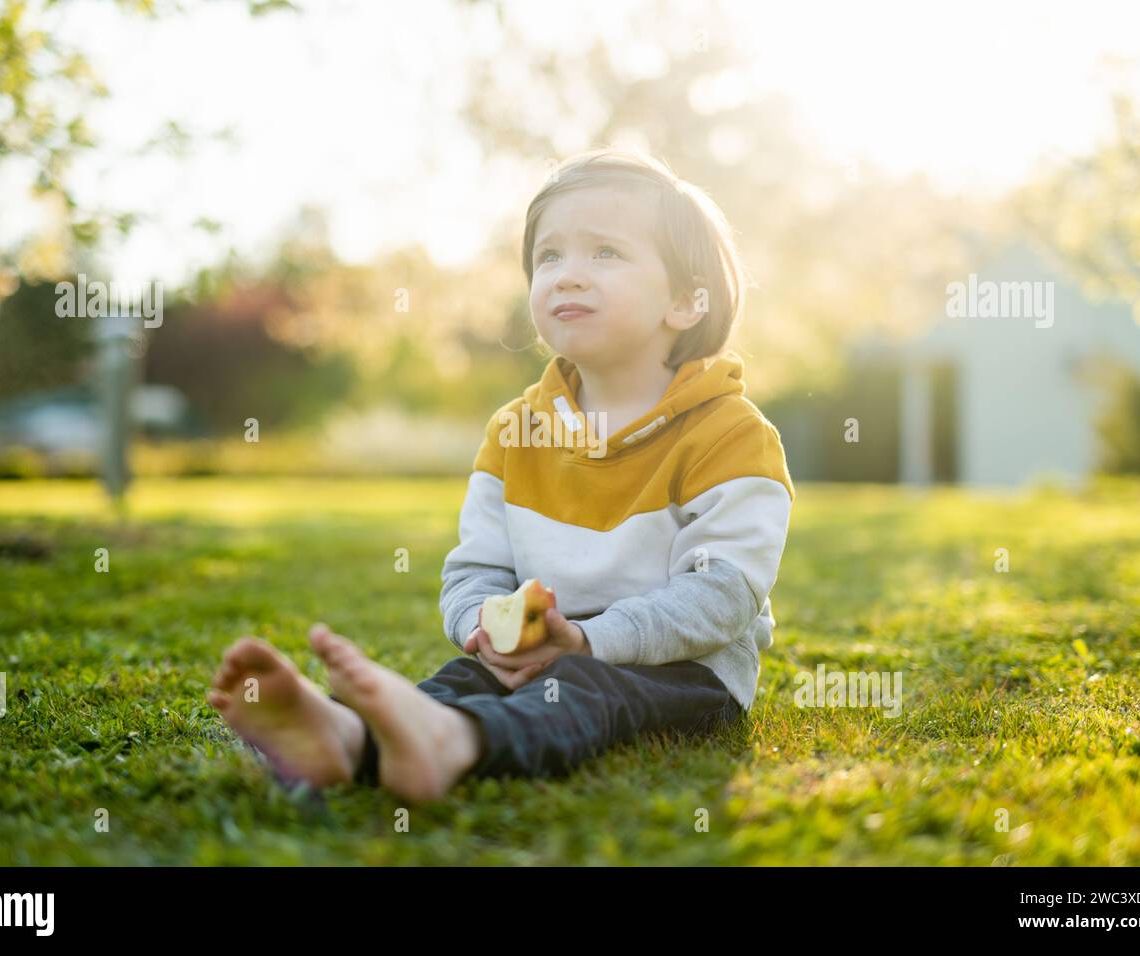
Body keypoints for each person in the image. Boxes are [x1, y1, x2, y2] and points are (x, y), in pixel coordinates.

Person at [207, 147, 795, 804]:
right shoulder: (515, 432)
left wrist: (591, 641)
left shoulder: (730, 434)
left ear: (688, 301)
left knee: (580, 690)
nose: (569, 275)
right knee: (464, 678)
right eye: (550, 256)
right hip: (544, 653)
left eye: (605, 253)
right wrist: (485, 629)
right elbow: (474, 572)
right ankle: (349, 738)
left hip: (685, 671)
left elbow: (724, 594)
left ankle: (455, 747)